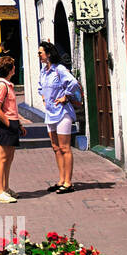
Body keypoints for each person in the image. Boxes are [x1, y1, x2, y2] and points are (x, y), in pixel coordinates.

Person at [38, 41, 81, 193]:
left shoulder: (59, 69)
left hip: (62, 112)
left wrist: (66, 96)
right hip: (50, 113)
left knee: (64, 147)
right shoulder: (44, 71)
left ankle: (68, 182)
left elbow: (73, 83)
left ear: (48, 54)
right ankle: (61, 179)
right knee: (56, 148)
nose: (39, 56)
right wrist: (44, 98)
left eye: (40, 53)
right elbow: (40, 87)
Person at [0, 55, 21, 203]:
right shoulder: (2, 86)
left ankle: (6, 188)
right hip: (5, 124)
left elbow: (12, 107)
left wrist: (18, 125)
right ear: (9, 69)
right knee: (2, 157)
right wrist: (9, 124)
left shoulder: (8, 84)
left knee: (9, 158)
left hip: (12, 123)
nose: (15, 68)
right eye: (13, 66)